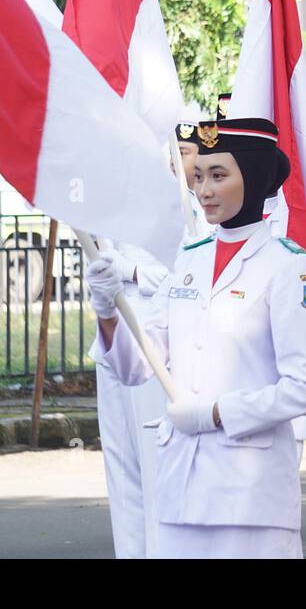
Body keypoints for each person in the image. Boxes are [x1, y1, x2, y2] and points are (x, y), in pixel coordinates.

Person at [88, 117, 306, 558]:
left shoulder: (289, 267)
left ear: (254, 178)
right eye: (199, 176)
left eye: (219, 176)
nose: (203, 191)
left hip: (250, 496)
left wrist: (216, 412)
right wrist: (107, 313)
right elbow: (138, 366)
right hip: (181, 490)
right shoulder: (188, 261)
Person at [90, 104, 213, 558]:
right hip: (113, 339)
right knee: (121, 469)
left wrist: (132, 270)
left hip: (154, 346)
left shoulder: (195, 207)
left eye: (186, 151)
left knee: (154, 465)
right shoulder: (127, 194)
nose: (178, 160)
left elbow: (186, 275)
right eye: (175, 150)